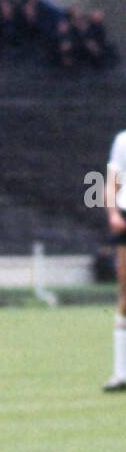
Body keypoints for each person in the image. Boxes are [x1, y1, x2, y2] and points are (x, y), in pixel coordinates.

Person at [103, 128, 126, 391]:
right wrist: (113, 214)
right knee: (125, 296)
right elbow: (111, 182)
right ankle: (121, 374)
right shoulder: (122, 140)